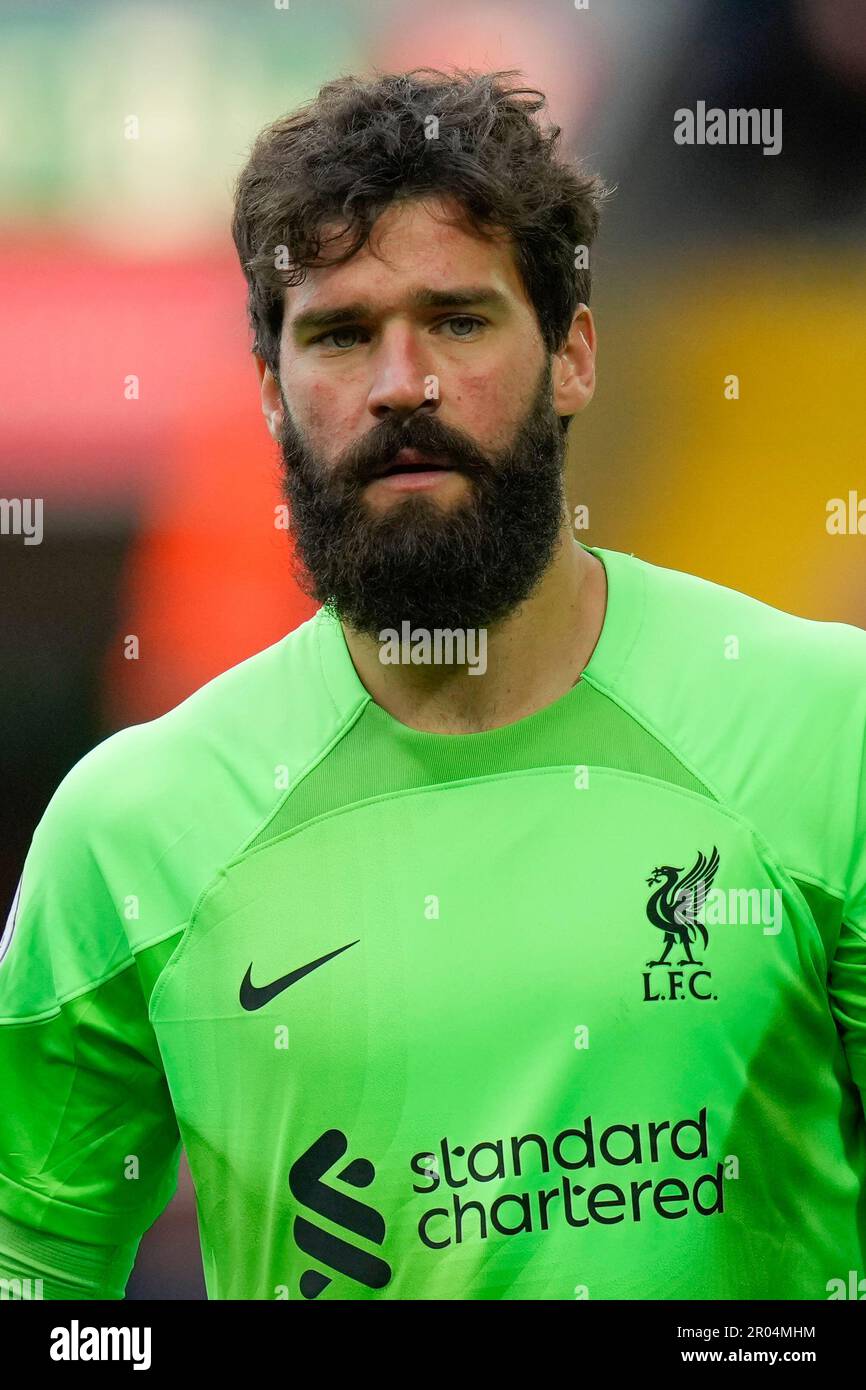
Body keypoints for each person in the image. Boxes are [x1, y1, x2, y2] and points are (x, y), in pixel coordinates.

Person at [1, 68, 864, 1302]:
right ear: (268, 392)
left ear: (571, 353)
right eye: (341, 333)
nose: (400, 382)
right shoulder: (127, 831)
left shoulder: (828, 728)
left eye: (456, 319)